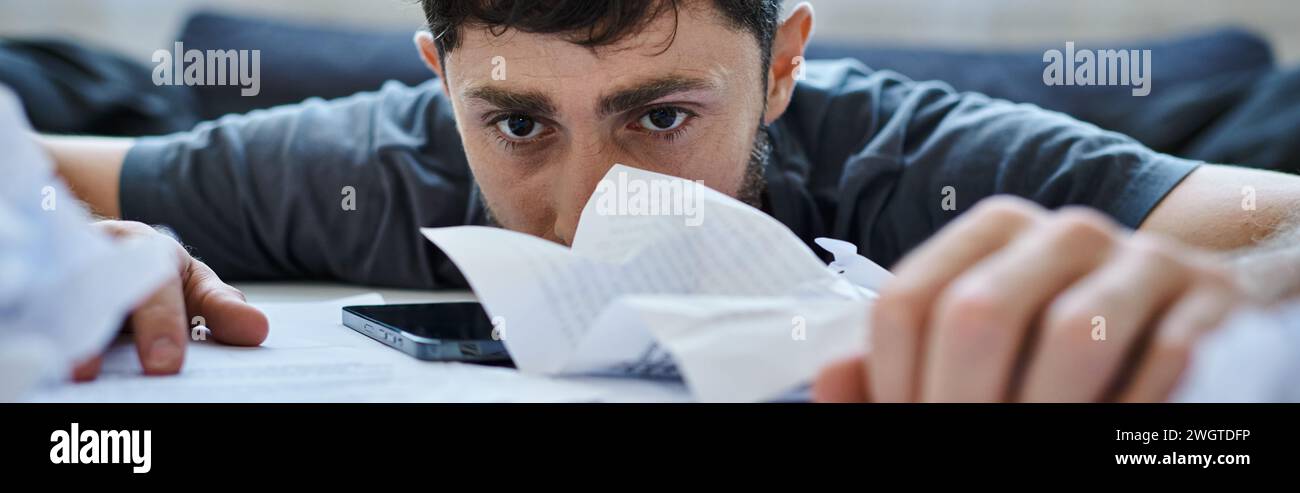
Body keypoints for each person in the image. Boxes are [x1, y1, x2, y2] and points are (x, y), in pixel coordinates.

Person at [39, 0, 1300, 401]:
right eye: (520, 124)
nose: (591, 207)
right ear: (439, 80)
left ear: (784, 62)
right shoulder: (375, 158)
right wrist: (61, 255)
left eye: (658, 116)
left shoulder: (916, 159)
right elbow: (35, 171)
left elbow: (1275, 221)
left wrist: (1212, 297)